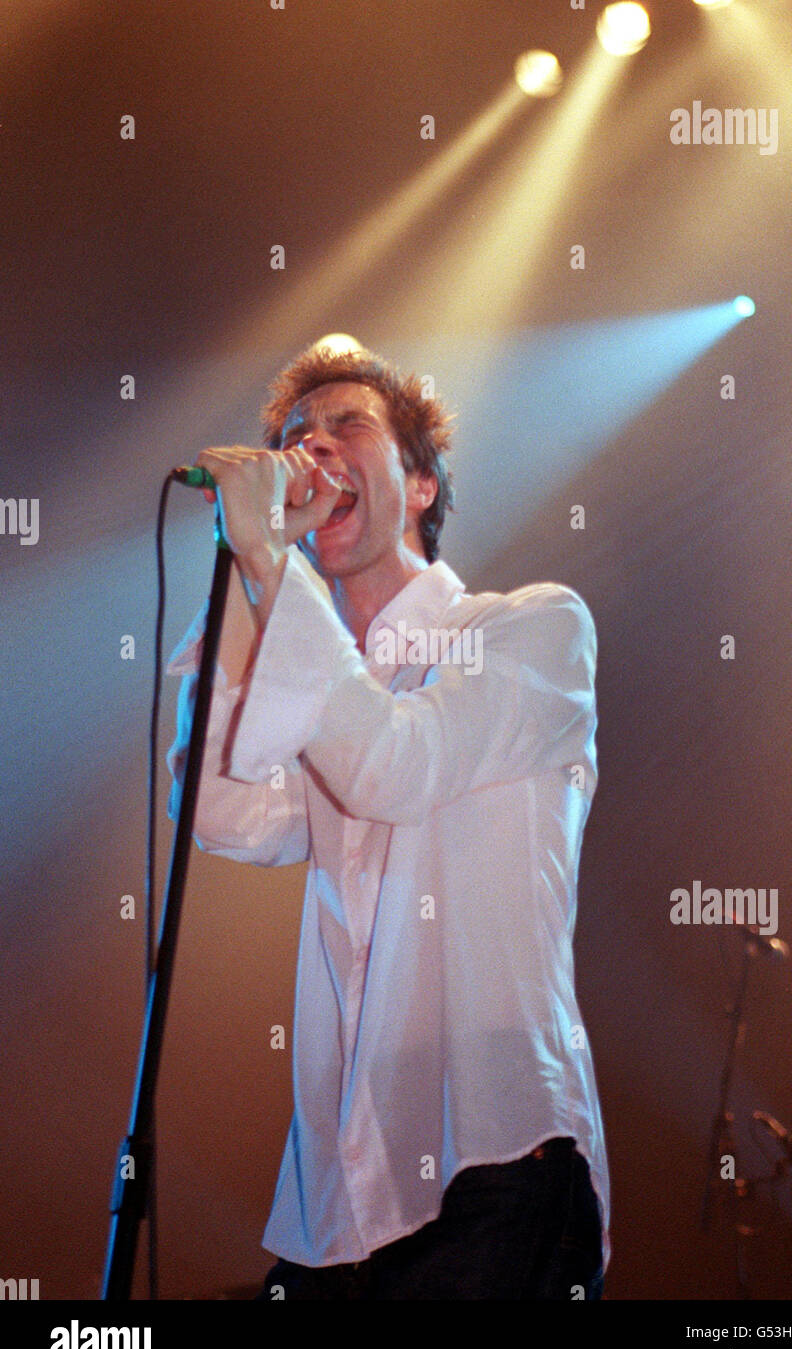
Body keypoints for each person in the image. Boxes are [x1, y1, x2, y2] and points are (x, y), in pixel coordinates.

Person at [167, 344, 610, 1300]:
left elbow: (396, 764)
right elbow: (221, 810)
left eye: (346, 426)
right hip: (337, 1205)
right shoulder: (320, 682)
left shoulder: (531, 629)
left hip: (493, 1162)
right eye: (292, 438)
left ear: (416, 484)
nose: (311, 449)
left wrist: (270, 569)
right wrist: (250, 570)